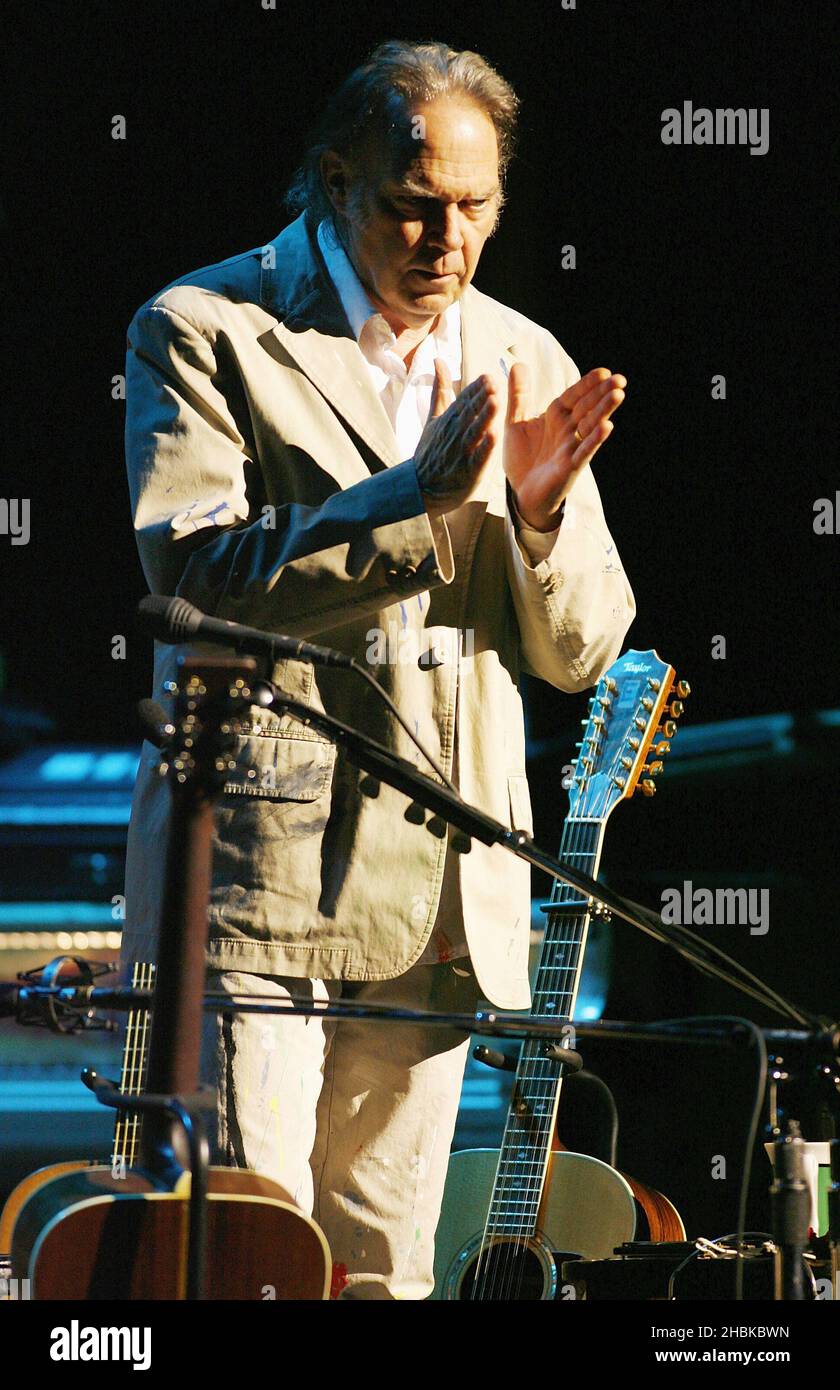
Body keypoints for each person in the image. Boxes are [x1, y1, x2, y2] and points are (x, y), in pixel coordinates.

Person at [121, 38, 635, 1299]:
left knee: (390, 1270)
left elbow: (583, 652)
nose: (447, 238)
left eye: (476, 207)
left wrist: (537, 520)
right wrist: (411, 501)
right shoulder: (207, 330)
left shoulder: (525, 349)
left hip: (449, 888)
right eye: (414, 204)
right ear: (333, 182)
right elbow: (193, 583)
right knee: (249, 1260)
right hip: (259, 879)